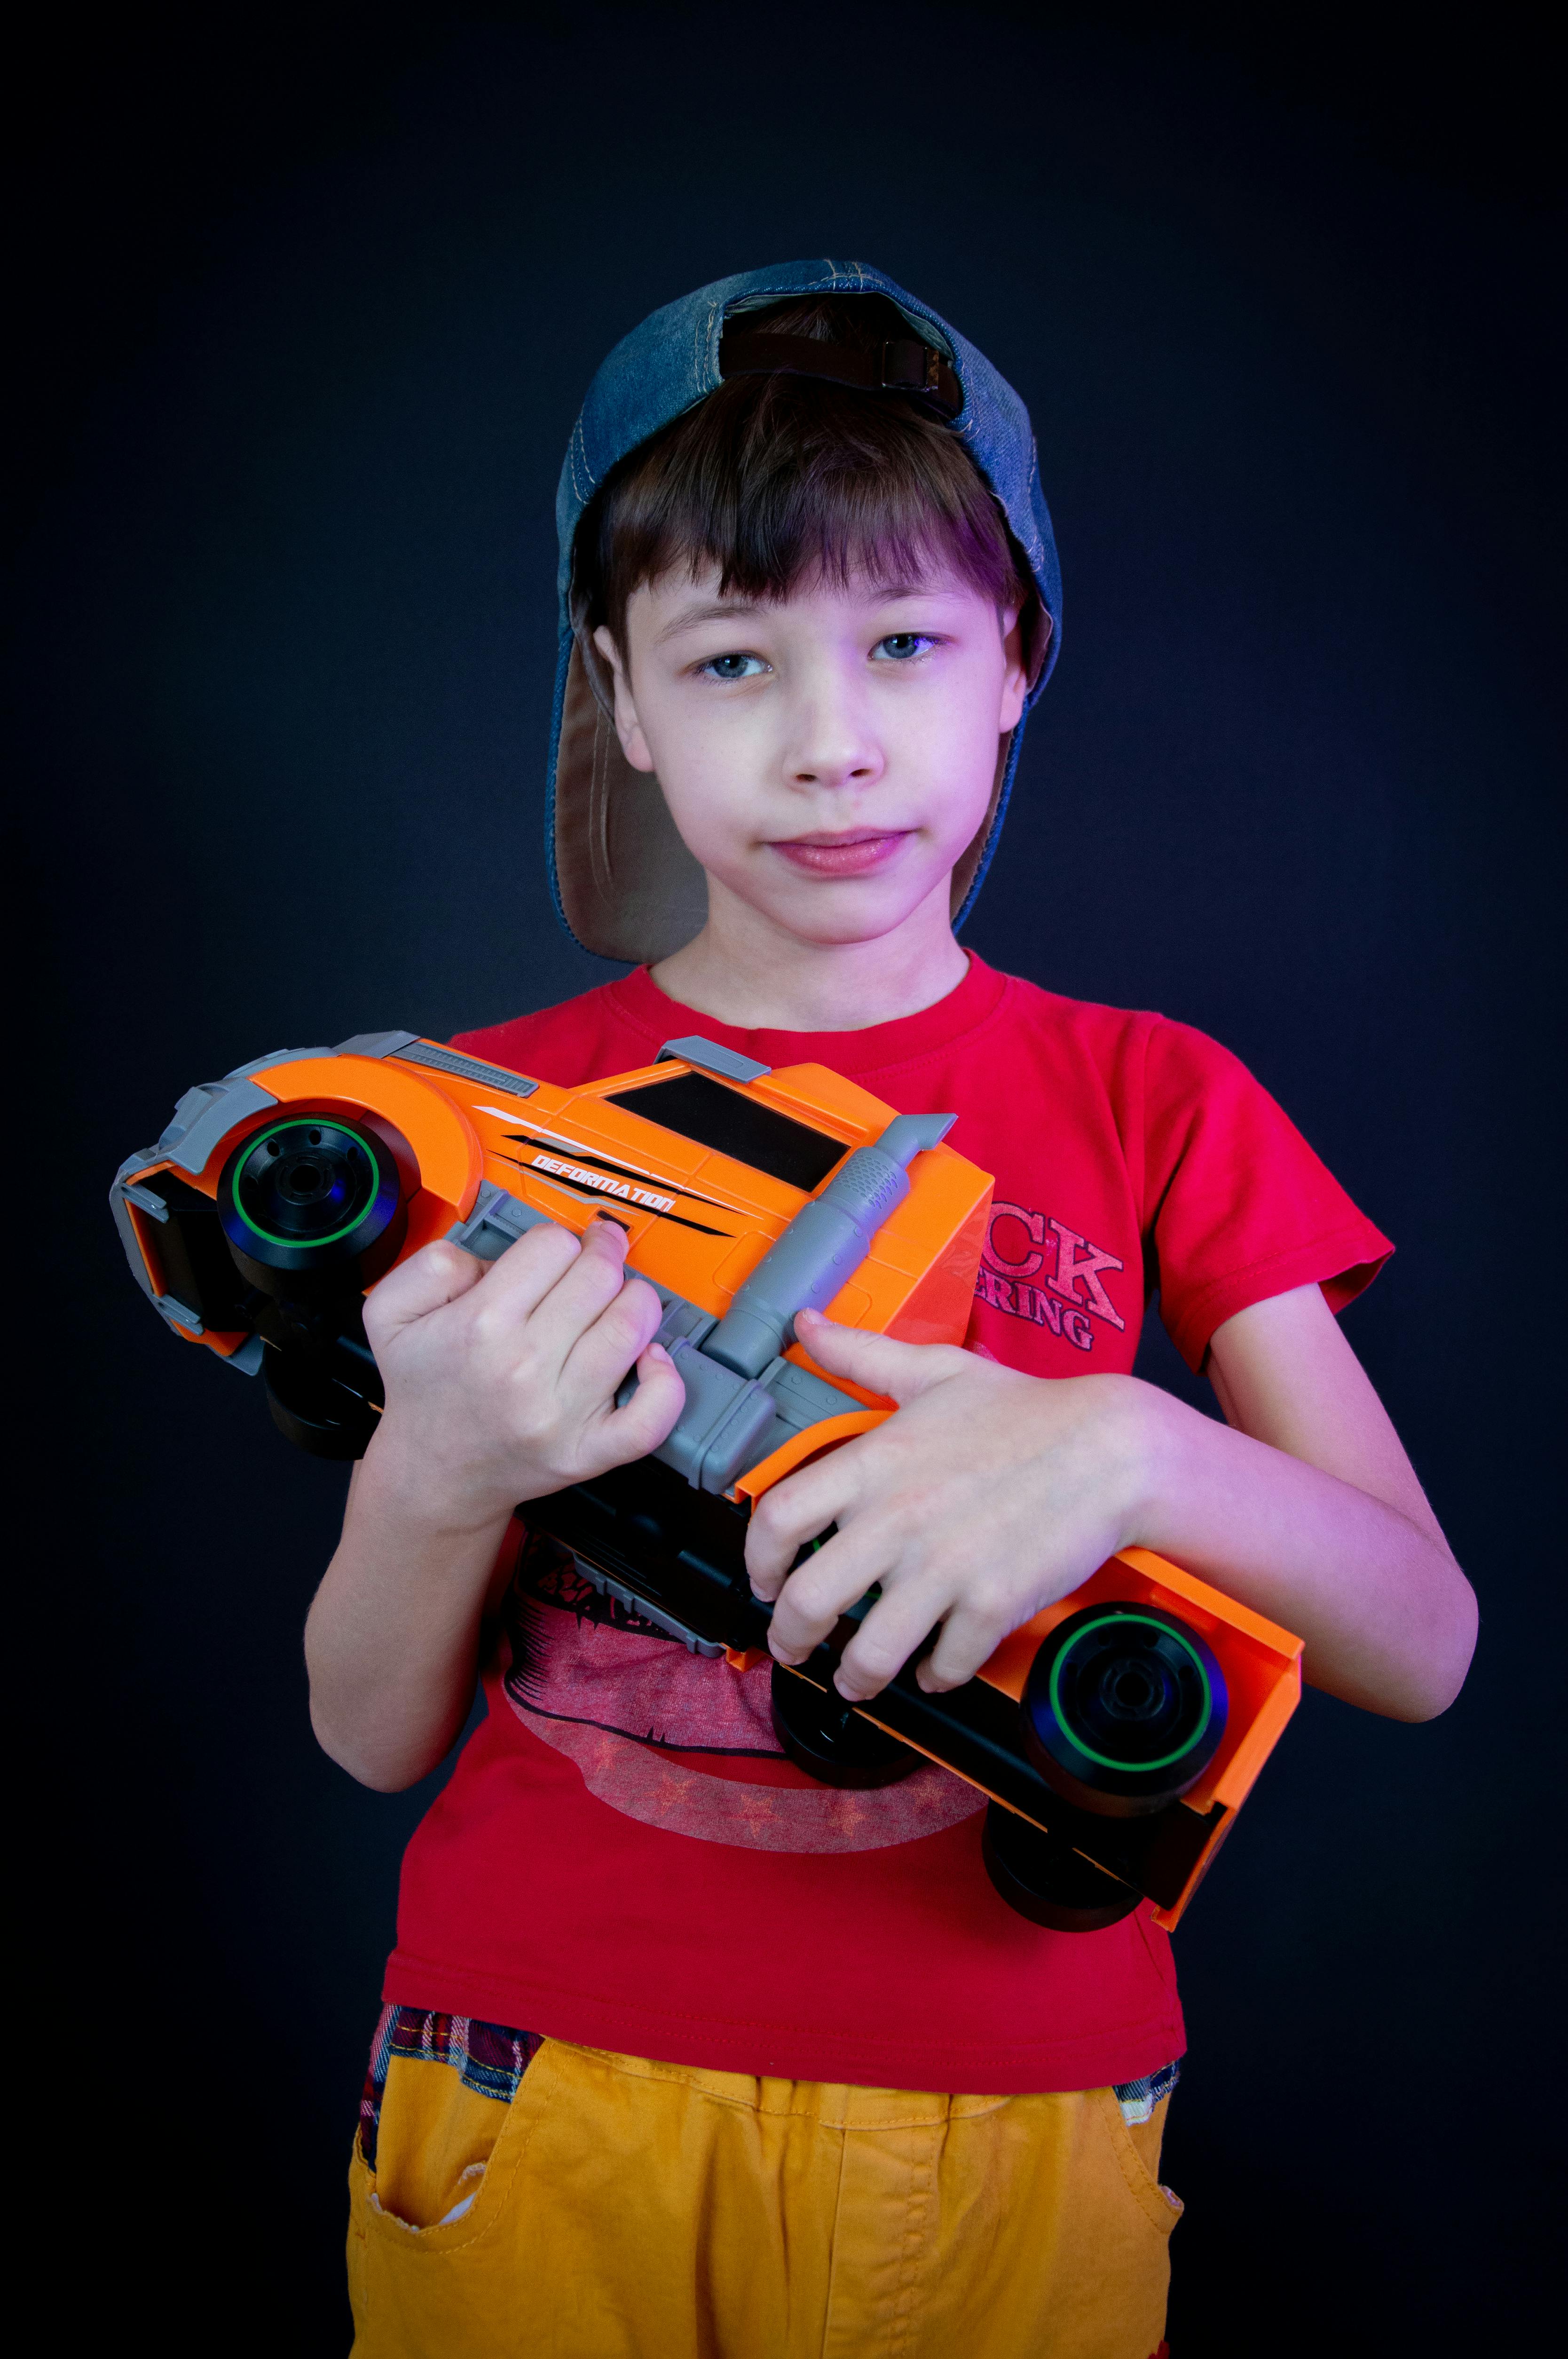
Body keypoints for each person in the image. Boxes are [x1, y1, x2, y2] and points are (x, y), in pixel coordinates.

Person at [306, 262, 1477, 2359]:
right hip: (539, 2091)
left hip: (1016, 2111)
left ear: (1018, 660)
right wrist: (440, 1465)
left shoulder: (1156, 1098)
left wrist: (1127, 1439)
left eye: (908, 644)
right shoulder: (478, 1121)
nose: (833, 745)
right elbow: (369, 1728)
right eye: (735, 659)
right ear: (624, 694)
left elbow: (1421, 1640)